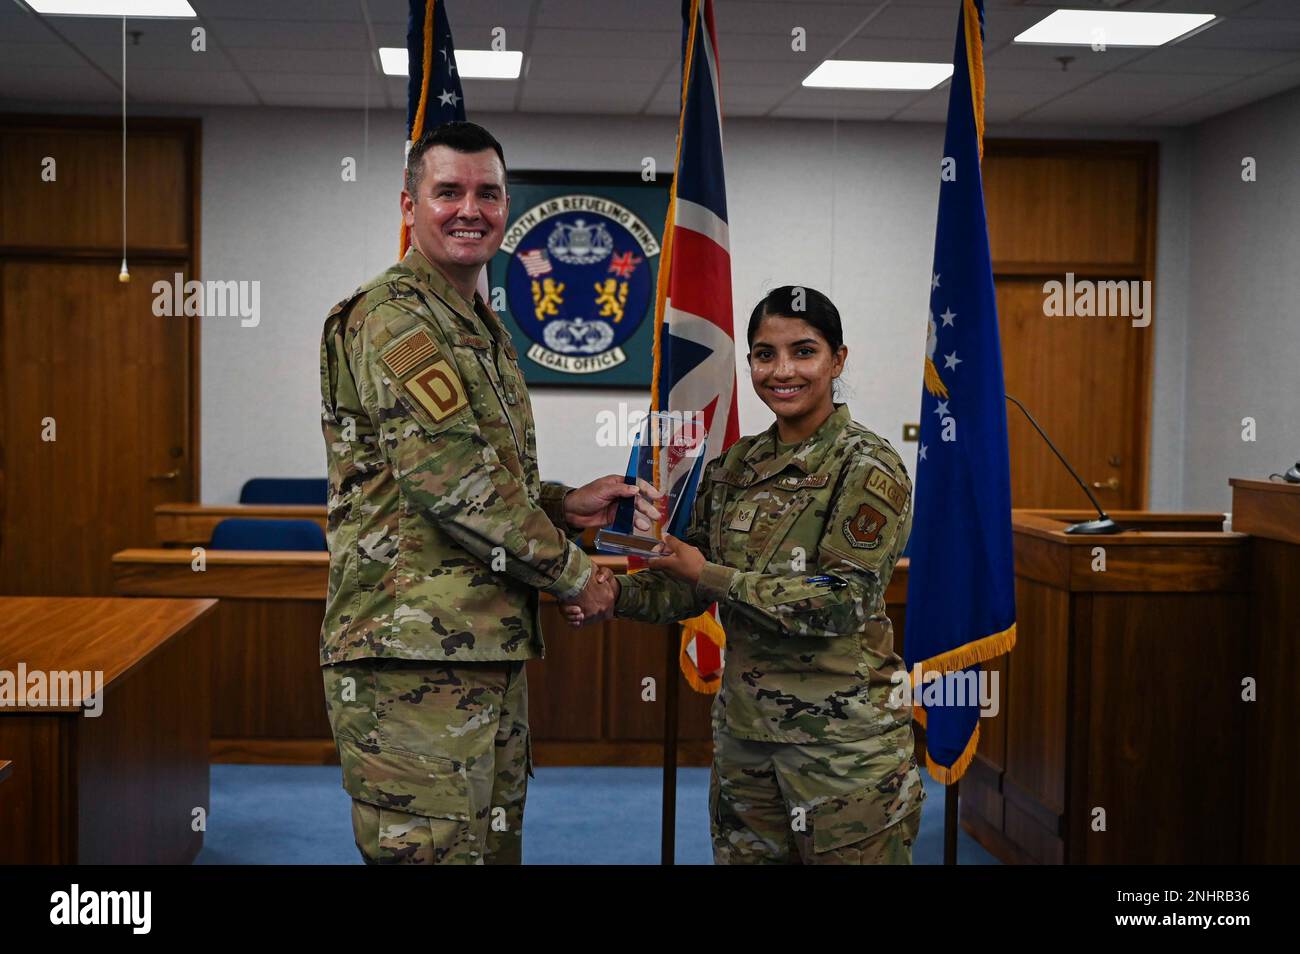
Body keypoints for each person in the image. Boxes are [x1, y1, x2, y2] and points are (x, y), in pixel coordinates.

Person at [318, 120, 639, 865]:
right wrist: (575, 574)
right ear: (408, 205)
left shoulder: (478, 324)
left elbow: (475, 473)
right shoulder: (394, 317)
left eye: (488, 193)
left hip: (476, 652)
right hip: (410, 663)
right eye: (447, 192)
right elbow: (455, 487)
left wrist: (563, 505)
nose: (471, 209)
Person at [566, 285, 925, 864]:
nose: (782, 370)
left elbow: (844, 600)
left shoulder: (867, 465)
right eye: (764, 354)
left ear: (838, 360)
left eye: (803, 352)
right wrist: (611, 594)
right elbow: (684, 583)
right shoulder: (737, 464)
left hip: (841, 754)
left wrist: (709, 575)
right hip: (747, 745)